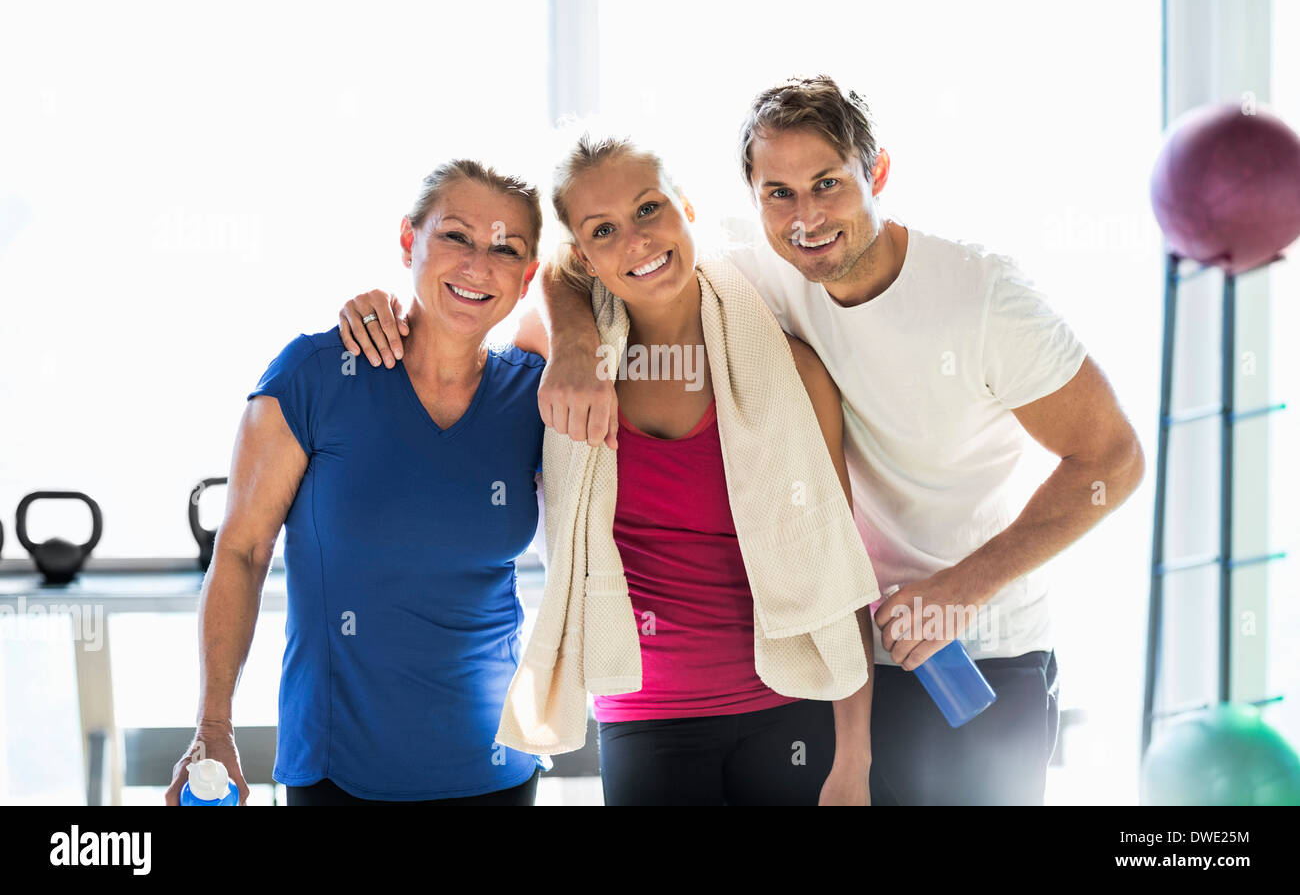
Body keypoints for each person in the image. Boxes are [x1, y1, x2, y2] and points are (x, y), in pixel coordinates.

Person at [353, 77, 1147, 805]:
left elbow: (1113, 461)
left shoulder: (982, 298)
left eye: (827, 184)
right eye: (779, 193)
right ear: (752, 201)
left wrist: (959, 590)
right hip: (844, 652)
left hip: (978, 649)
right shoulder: (760, 272)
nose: (805, 217)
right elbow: (572, 259)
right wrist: (572, 345)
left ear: (877, 173)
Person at [339, 133, 878, 805]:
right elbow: (451, 345)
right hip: (647, 720)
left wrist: (853, 760)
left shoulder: (791, 370)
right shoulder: (548, 366)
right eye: (604, 229)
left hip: (790, 703)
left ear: (685, 207)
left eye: (650, 209)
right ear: (583, 255)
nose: (637, 241)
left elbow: (842, 575)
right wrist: (376, 307)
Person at [164, 159, 550, 806]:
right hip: (338, 774)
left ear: (528, 275)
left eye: (505, 248)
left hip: (499, 770)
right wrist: (213, 724)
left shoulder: (534, 394)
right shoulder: (314, 375)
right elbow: (242, 550)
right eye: (456, 236)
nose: (479, 264)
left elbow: (616, 304)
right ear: (408, 241)